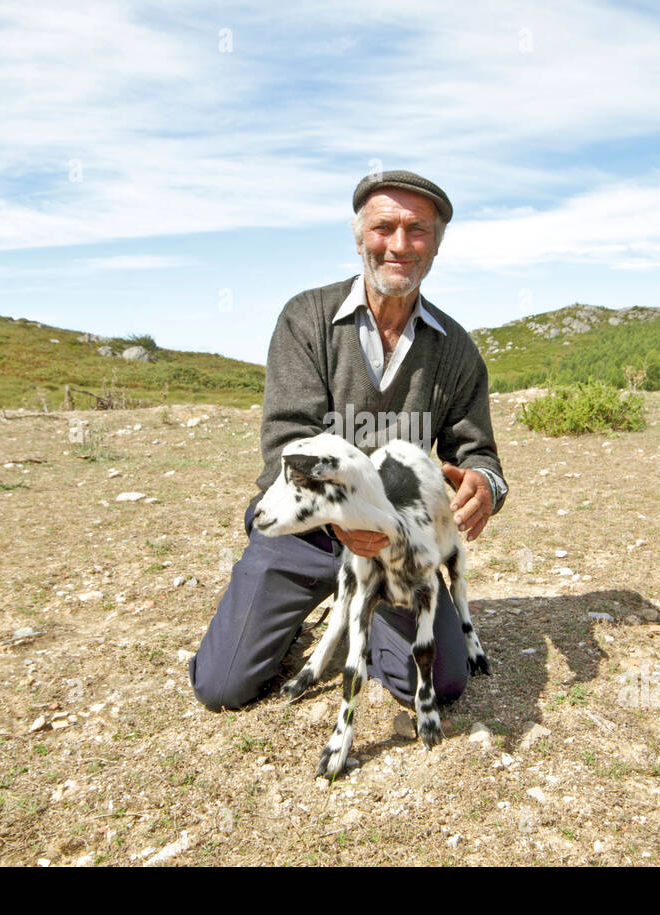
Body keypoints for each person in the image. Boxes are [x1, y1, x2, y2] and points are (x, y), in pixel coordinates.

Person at [189, 170, 508, 711]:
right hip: (307, 530)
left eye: (418, 230)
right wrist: (341, 518)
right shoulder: (306, 319)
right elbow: (289, 441)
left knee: (441, 685)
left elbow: (477, 453)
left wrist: (483, 485)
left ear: (437, 244)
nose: (399, 245)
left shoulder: (456, 349)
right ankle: (306, 606)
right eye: (384, 227)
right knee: (221, 688)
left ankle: (369, 615)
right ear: (359, 236)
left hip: (392, 541)